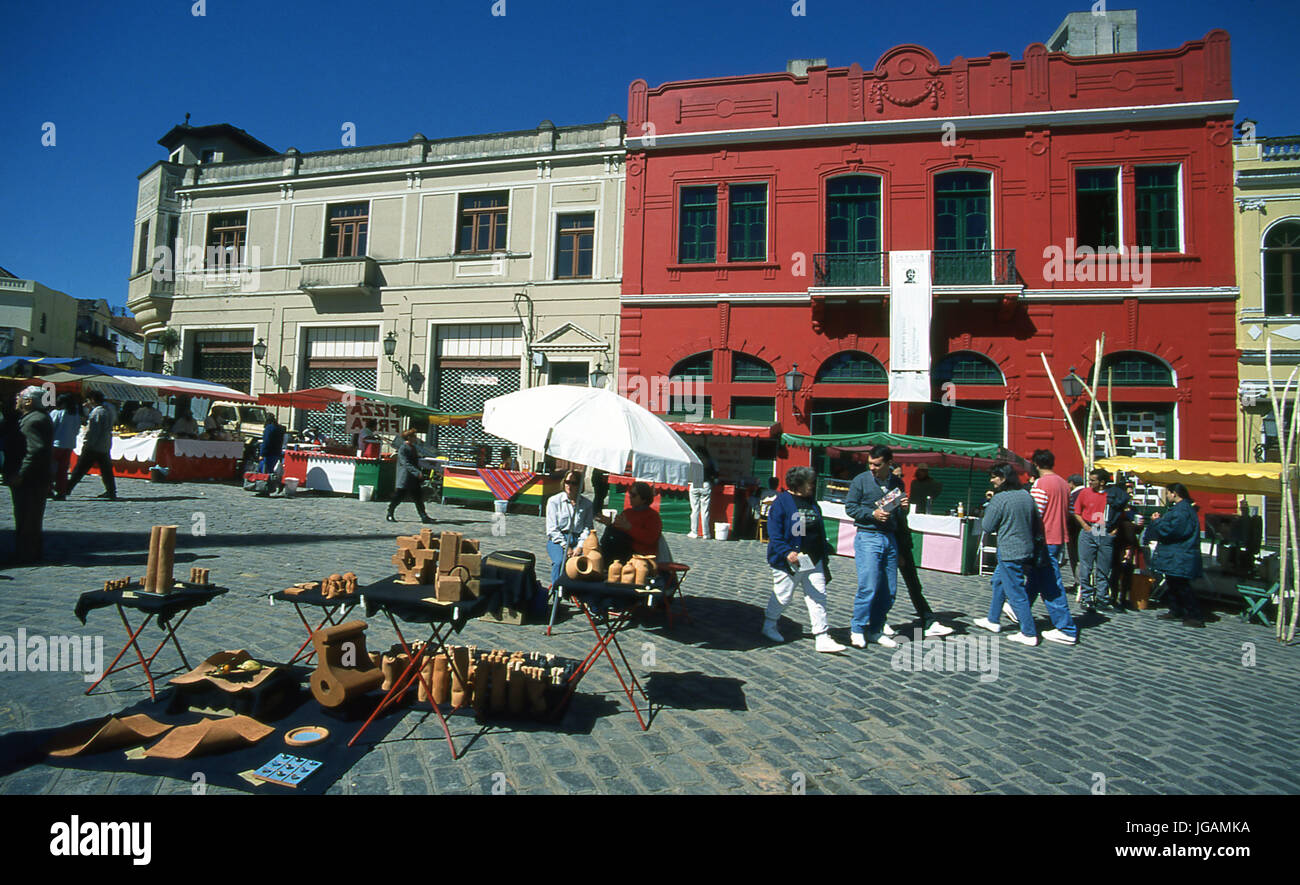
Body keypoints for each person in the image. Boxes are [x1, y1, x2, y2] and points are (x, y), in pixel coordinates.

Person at [972, 463, 1073, 646]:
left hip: (1010, 551)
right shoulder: (1026, 496)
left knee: (1016, 591)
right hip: (1028, 549)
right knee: (998, 582)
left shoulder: (1000, 499)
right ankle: (993, 619)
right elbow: (1037, 520)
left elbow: (987, 526)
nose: (991, 480)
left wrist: (990, 504)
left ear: (1003, 478)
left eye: (994, 476)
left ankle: (1028, 632)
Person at [761, 465, 846, 653]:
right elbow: (774, 534)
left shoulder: (812, 502)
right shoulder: (782, 502)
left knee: (818, 595)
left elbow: (817, 527)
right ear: (797, 484)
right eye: (810, 483)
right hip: (790, 561)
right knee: (783, 595)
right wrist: (786, 552)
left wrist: (824, 550)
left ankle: (822, 636)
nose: (813, 487)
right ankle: (769, 624)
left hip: (813, 559)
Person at [1003, 449, 1079, 642]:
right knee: (1037, 578)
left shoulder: (1040, 484)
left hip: (1044, 539)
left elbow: (1035, 513)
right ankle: (1019, 609)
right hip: (1060, 537)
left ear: (1036, 464)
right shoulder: (1064, 484)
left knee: (1051, 584)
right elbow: (1070, 511)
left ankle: (1066, 627)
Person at [844, 444, 903, 649]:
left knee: (889, 590)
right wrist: (872, 514)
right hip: (868, 536)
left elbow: (896, 514)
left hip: (890, 538)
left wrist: (902, 507)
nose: (872, 468)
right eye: (870, 463)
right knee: (868, 586)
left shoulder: (897, 482)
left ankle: (876, 629)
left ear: (889, 463)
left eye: (877, 465)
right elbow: (850, 508)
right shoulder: (860, 481)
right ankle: (857, 628)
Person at [887, 464, 953, 638]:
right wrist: (899, 551)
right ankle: (878, 620)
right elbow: (891, 521)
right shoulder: (888, 491)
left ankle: (928, 619)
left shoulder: (898, 490)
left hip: (902, 541)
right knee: (886, 586)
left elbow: (900, 518)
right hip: (894, 543)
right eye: (898, 475)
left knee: (913, 585)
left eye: (901, 476)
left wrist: (903, 509)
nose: (901, 479)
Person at [1143, 482, 1206, 628]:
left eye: (1167, 493)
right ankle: (1176, 610)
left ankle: (1194, 615)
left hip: (1180, 554)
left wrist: (1157, 522)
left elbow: (1173, 531)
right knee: (1173, 583)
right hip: (1176, 554)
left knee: (1182, 586)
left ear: (1174, 493)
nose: (1166, 496)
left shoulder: (1182, 511)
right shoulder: (1179, 509)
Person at [8, 387, 54, 564]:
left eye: (19, 396)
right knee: (31, 518)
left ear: (29, 401)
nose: (16, 398)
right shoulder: (38, 417)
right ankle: (31, 552)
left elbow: (35, 450)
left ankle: (26, 554)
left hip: (31, 479)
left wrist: (21, 473)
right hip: (38, 478)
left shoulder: (33, 420)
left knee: (26, 518)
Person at [63, 390, 117, 500]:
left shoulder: (97, 412)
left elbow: (94, 432)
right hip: (104, 446)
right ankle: (111, 491)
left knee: (80, 469)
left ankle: (66, 489)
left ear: (92, 400)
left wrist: (87, 444)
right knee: (106, 470)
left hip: (94, 447)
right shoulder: (107, 411)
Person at [1074, 467, 1114, 612]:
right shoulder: (1085, 492)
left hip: (1103, 529)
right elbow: (1077, 511)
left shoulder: (1110, 495)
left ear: (1102, 482)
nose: (1090, 482)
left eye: (1093, 480)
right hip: (1089, 528)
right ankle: (1087, 597)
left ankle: (1102, 598)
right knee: (1086, 566)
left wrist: (1113, 531)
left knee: (1103, 568)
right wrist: (1085, 526)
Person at [544, 469, 594, 585]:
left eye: (574, 483)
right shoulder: (554, 501)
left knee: (588, 563)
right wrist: (565, 546)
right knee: (560, 562)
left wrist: (580, 547)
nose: (569, 486)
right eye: (567, 482)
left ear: (580, 485)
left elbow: (587, 528)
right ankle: (557, 590)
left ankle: (580, 592)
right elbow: (552, 529)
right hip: (558, 539)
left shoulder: (587, 504)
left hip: (578, 539)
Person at [596, 480, 662, 556]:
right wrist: (610, 524)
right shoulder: (627, 512)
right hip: (621, 550)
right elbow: (618, 530)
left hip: (640, 554)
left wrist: (629, 528)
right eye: (630, 494)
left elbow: (650, 539)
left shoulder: (652, 516)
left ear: (644, 499)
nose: (630, 497)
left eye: (634, 495)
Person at [387, 427, 433, 523]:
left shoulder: (413, 447)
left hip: (413, 478)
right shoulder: (403, 448)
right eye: (414, 436)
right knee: (398, 497)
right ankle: (390, 512)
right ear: (409, 437)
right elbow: (406, 463)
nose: (416, 438)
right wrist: (417, 472)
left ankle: (423, 516)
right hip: (405, 476)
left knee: (418, 497)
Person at [48, 393, 80, 499]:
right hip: (69, 445)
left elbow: (51, 427)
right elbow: (77, 430)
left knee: (51, 468)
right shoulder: (75, 414)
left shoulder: (57, 413)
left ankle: (48, 489)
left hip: (56, 444)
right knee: (63, 470)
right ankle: (61, 491)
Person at [688, 445, 718, 539]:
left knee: (695, 510)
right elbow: (715, 474)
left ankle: (694, 532)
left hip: (696, 482)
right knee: (705, 510)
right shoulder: (710, 461)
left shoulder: (694, 460)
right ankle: (706, 533)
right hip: (706, 484)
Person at [1065, 473, 1085, 594]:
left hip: (1074, 530)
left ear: (1072, 483)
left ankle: (1079, 583)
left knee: (1075, 558)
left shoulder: (1073, 496)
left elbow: (1072, 514)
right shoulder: (1088, 492)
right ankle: (1081, 583)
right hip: (1086, 529)